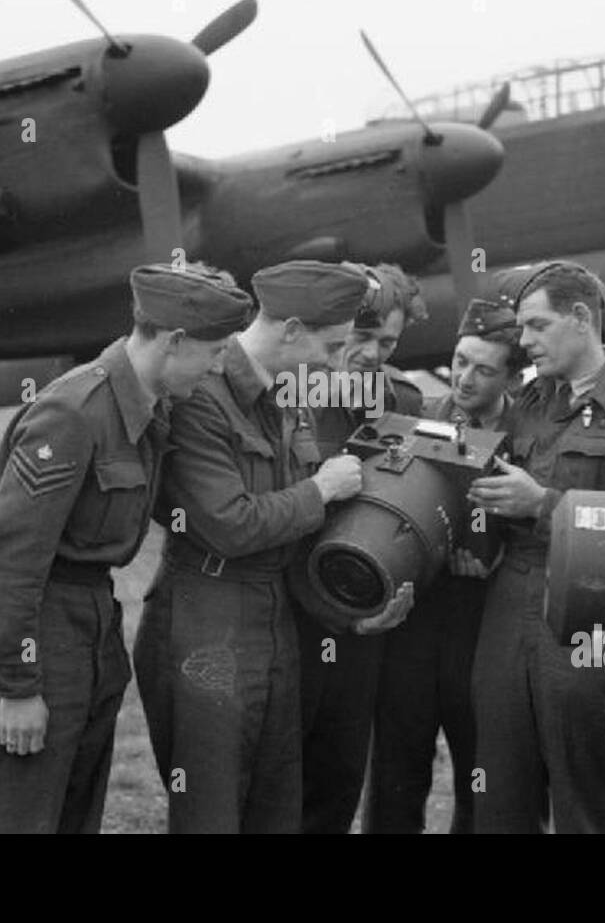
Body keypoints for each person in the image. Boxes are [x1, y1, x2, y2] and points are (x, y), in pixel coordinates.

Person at [0, 261, 252, 833]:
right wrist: (17, 687)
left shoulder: (151, 405)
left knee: (72, 814)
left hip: (89, 623)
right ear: (174, 340)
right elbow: (11, 556)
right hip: (37, 626)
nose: (216, 367)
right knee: (8, 817)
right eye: (213, 353)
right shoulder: (75, 411)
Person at [133, 259, 408, 833]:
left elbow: (291, 539)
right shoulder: (202, 394)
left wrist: (349, 615)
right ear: (291, 331)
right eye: (330, 346)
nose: (335, 361)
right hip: (207, 618)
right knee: (212, 811)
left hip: (273, 620)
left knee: (276, 807)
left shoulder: (284, 393)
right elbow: (228, 524)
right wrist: (320, 489)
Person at [466, 260, 605, 833]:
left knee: (585, 788)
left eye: (537, 325)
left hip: (591, 604)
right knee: (500, 782)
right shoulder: (528, 400)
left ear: (581, 318)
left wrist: (542, 503)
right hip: (508, 599)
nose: (524, 340)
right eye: (522, 327)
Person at [364, 297, 527, 834]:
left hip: (486, 624)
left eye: (484, 370)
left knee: (481, 771)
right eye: (459, 361)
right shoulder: (419, 420)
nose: (464, 378)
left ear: (512, 377)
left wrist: (496, 556)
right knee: (396, 767)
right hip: (416, 618)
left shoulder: (530, 434)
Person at [294, 261, 425, 834]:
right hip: (286, 619)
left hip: (358, 619)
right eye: (363, 335)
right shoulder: (286, 395)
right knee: (275, 788)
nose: (372, 353)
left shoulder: (402, 402)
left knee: (337, 780)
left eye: (388, 343)